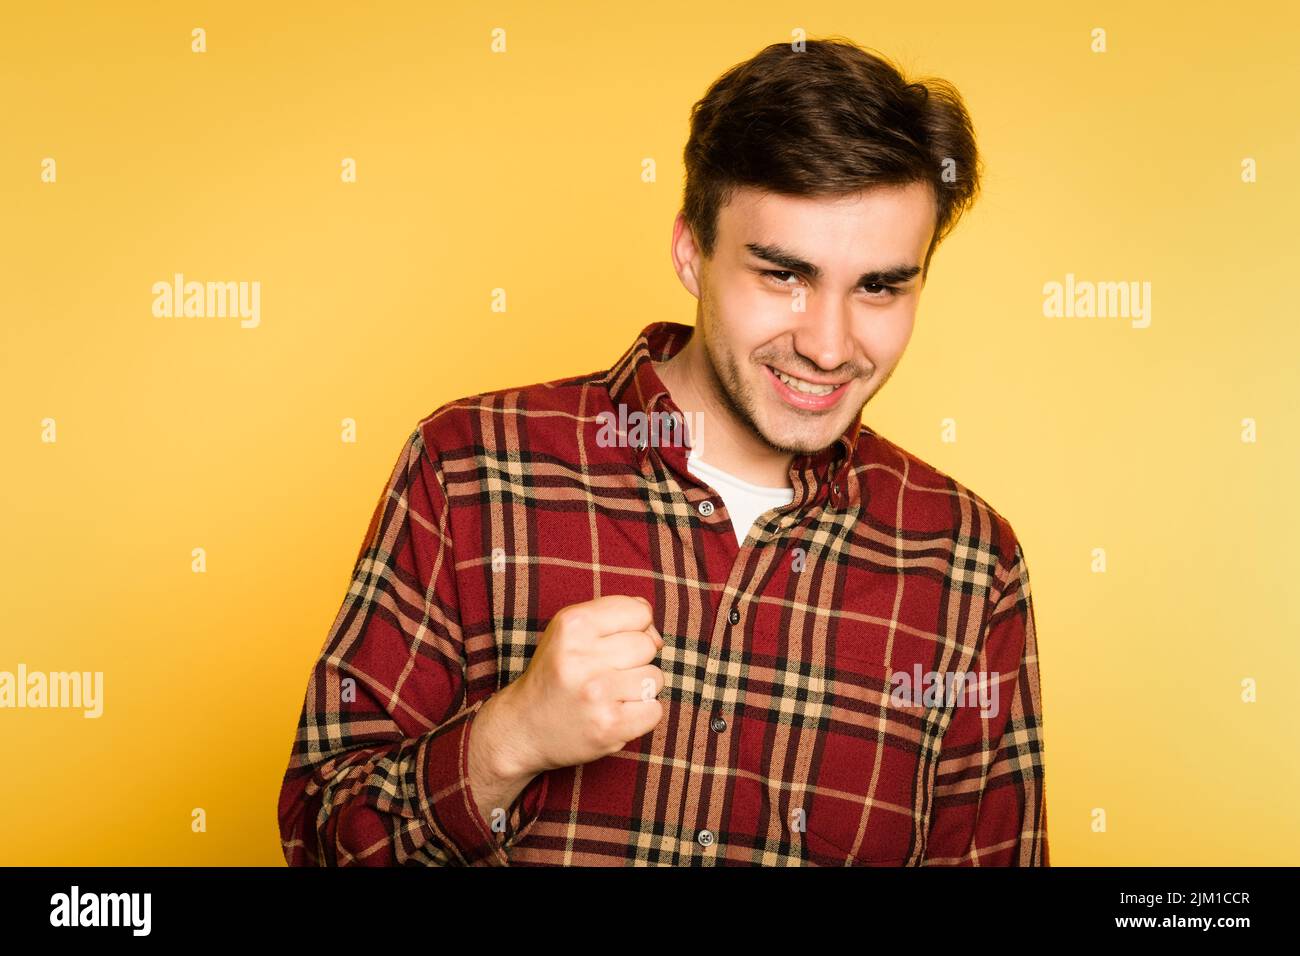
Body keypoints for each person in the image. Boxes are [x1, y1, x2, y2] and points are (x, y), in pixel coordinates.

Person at [277, 36, 1048, 866]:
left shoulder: (971, 563)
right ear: (691, 251)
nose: (830, 346)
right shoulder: (470, 468)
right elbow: (322, 836)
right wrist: (509, 740)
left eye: (878, 287)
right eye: (784, 274)